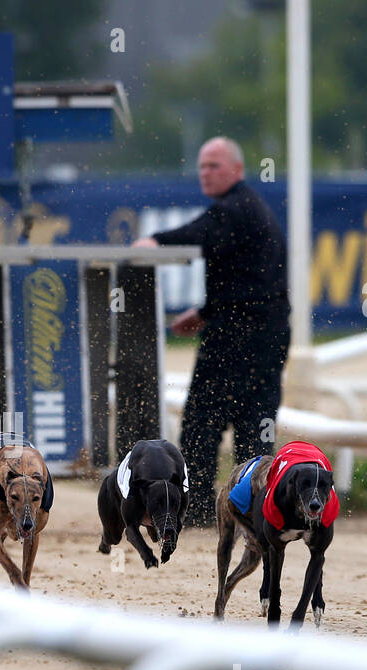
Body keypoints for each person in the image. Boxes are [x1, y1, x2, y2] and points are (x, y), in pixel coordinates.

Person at [133, 136, 290, 527]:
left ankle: (200, 508)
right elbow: (250, 278)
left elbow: (204, 231)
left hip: (239, 338)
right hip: (262, 333)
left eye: (214, 165)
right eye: (201, 166)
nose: (205, 173)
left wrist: (157, 241)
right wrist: (206, 312)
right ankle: (255, 509)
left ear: (237, 169)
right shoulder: (248, 208)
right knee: (253, 422)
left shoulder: (237, 207)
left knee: (203, 421)